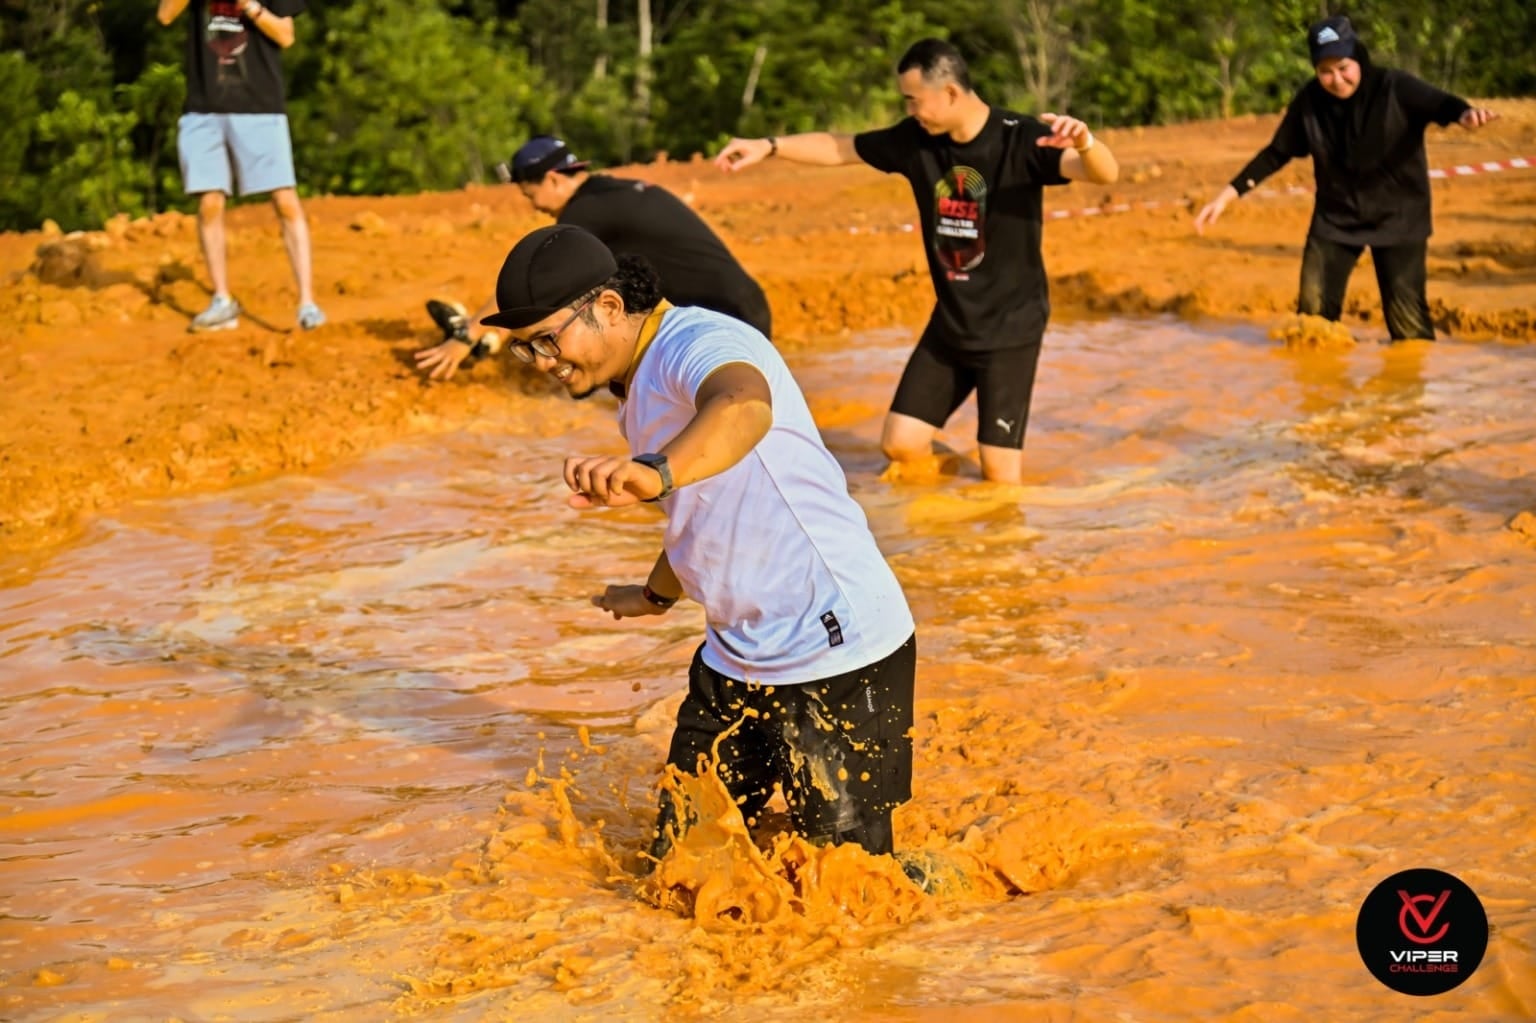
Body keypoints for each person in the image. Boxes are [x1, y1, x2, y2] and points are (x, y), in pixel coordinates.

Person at [480, 224, 916, 864]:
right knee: (680, 868)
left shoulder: (699, 342)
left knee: (850, 887)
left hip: (836, 652)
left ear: (607, 307)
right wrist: (654, 596)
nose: (543, 362)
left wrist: (654, 471)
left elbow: (743, 406)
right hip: (734, 658)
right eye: (527, 349)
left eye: (548, 340)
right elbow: (707, 514)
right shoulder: (634, 386)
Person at [713, 38, 1119, 484]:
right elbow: (841, 147)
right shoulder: (918, 141)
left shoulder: (1018, 137)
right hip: (951, 322)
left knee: (1002, 478)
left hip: (1010, 328)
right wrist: (768, 146)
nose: (910, 112)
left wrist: (1085, 143)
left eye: (914, 101)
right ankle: (947, 502)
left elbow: (1102, 174)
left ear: (949, 93)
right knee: (900, 445)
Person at [1194, 16, 1499, 342]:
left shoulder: (1393, 86)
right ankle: (1321, 389)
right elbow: (1276, 153)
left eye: (1343, 67)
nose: (1336, 79)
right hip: (1336, 220)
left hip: (1400, 216)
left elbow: (1441, 103)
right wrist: (1227, 195)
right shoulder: (1309, 103)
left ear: (1359, 58)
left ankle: (1410, 390)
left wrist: (1464, 114)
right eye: (1325, 71)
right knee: (1311, 324)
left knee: (1409, 330)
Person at [415, 136, 772, 380]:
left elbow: (533, 284)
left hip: (721, 320)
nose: (534, 205)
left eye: (530, 193)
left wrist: (465, 335)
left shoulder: (586, 211)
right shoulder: (609, 194)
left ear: (553, 180)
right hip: (744, 307)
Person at [157, 0, 325, 333]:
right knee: (209, 204)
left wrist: (248, 5)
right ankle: (222, 300)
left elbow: (285, 36)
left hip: (260, 106)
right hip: (203, 107)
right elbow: (165, 15)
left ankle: (307, 303)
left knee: (285, 201)